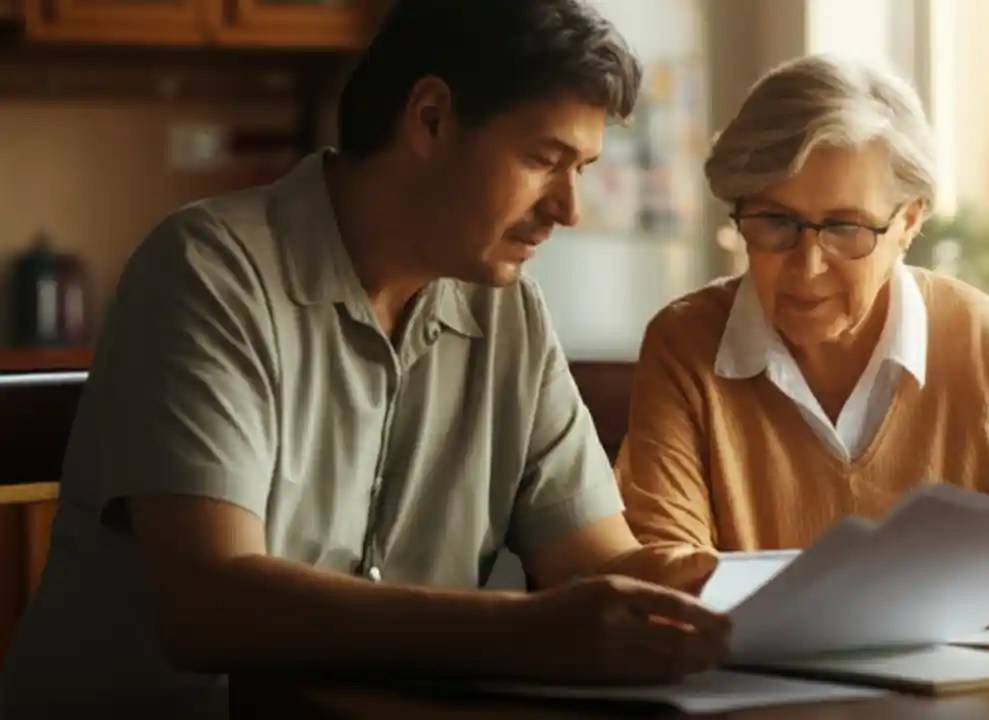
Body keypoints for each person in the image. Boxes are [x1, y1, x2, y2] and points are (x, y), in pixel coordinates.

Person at [0, 2, 730, 716]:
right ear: (430, 118)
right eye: (545, 160)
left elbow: (599, 563)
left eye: (584, 169)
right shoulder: (209, 271)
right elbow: (209, 606)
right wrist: (529, 630)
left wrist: (713, 590)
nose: (569, 209)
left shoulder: (510, 313)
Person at [616, 55, 989, 626]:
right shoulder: (686, 343)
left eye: (845, 228)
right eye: (775, 221)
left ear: (909, 222)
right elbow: (661, 571)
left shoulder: (982, 338)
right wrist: (933, 586)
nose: (807, 266)